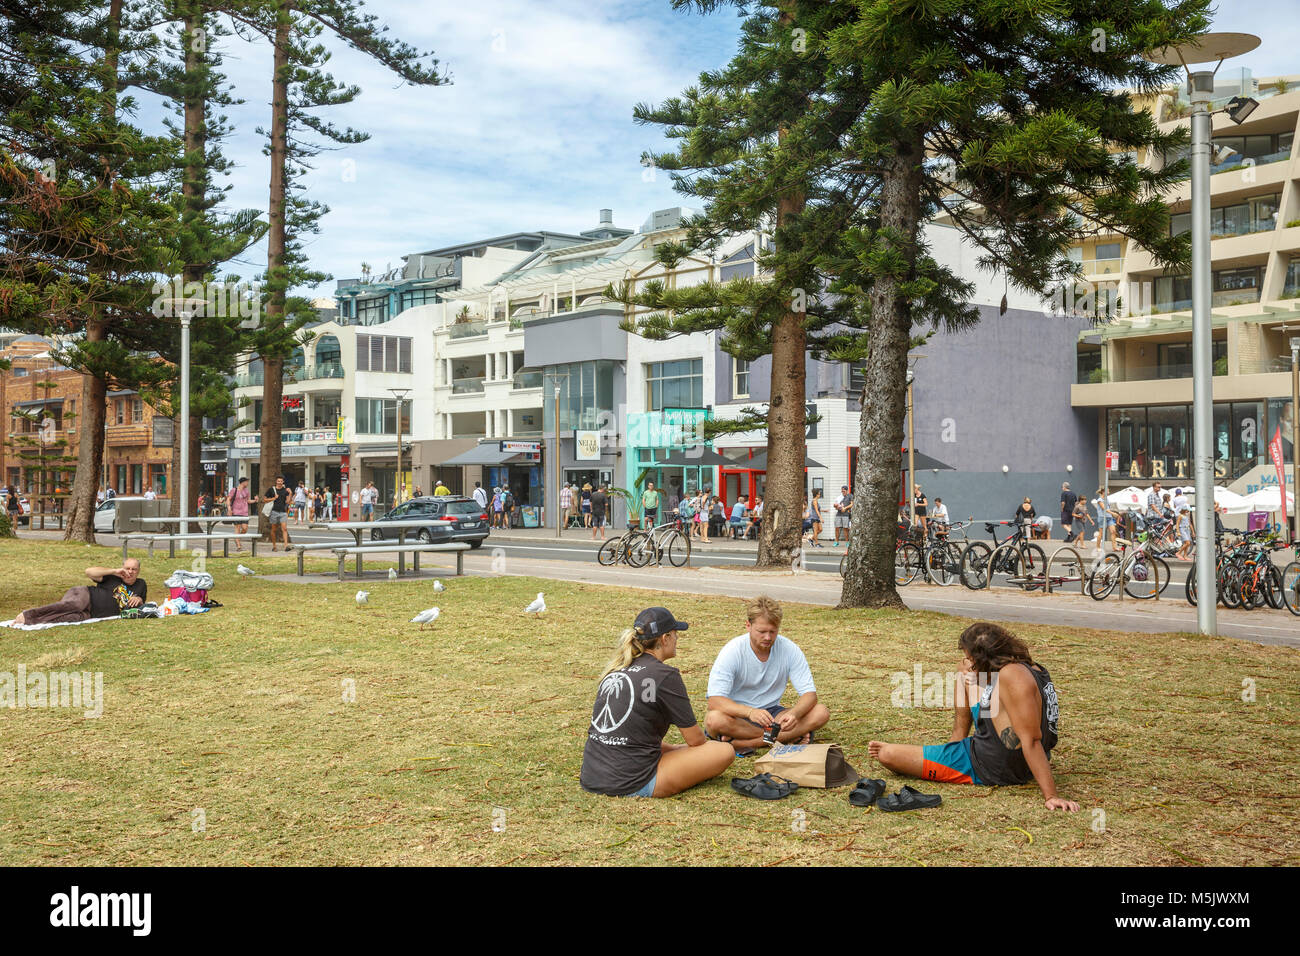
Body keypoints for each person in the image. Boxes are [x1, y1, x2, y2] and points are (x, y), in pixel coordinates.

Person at [867, 622, 1078, 812]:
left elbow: (1031, 739)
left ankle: (953, 756)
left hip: (991, 766)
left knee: (887, 754)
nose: (970, 662)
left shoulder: (1011, 677)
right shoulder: (1034, 669)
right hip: (1017, 759)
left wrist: (1051, 796)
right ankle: (955, 742)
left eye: (971, 657)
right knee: (963, 671)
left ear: (982, 657)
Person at [580, 607, 735, 798]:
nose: (677, 639)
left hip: (592, 776)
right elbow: (696, 740)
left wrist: (675, 749)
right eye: (676, 634)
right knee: (723, 751)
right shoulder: (665, 676)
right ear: (665, 638)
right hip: (631, 782)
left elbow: (631, 733)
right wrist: (683, 750)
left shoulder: (617, 669)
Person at [704, 596, 830, 755]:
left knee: (821, 712)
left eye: (773, 631)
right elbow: (714, 702)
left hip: (774, 716)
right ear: (748, 626)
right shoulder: (732, 651)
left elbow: (810, 695)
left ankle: (742, 742)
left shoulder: (789, 649)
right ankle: (785, 737)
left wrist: (794, 714)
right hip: (738, 716)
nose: (768, 637)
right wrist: (750, 712)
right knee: (714, 720)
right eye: (762, 631)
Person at [14, 559, 147, 625]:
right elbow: (88, 572)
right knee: (73, 606)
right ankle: (29, 614)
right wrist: (113, 571)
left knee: (70, 618)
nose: (130, 572)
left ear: (138, 571)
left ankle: (31, 621)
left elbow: (143, 605)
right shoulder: (113, 576)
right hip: (85, 595)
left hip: (91, 614)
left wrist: (140, 600)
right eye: (127, 568)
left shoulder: (141, 584)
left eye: (134, 569)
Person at [265, 476, 291, 551]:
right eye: (278, 481)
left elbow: (287, 502)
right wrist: (273, 498)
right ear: (276, 482)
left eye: (281, 481)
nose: (279, 482)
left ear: (283, 482)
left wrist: (290, 493)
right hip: (274, 511)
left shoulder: (285, 490)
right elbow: (264, 499)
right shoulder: (271, 490)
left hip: (283, 512)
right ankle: (274, 546)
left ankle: (286, 546)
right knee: (273, 529)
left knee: (284, 529)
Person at [227, 477, 252, 553]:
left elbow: (248, 500)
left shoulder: (246, 491)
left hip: (244, 512)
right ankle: (238, 545)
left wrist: (255, 500)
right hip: (236, 512)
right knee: (237, 528)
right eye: (247, 482)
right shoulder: (234, 490)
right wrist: (229, 509)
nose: (247, 483)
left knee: (245, 529)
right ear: (243, 482)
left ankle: (237, 538)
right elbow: (228, 499)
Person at [1092, 487, 1118, 551]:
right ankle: (1098, 547)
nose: (1109, 491)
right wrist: (1113, 513)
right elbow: (1104, 508)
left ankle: (1114, 547)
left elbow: (1108, 508)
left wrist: (1112, 513)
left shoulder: (1107, 499)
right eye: (1108, 490)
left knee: (1113, 531)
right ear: (1103, 492)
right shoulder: (1100, 500)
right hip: (1102, 518)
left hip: (1109, 517)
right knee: (1101, 533)